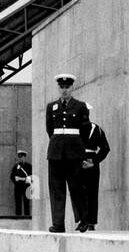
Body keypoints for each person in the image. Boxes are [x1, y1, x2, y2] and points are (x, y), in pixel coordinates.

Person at [45, 73, 90, 233]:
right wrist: (59, 144)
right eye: (62, 87)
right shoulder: (51, 107)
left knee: (76, 187)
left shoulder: (80, 106)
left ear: (72, 88)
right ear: (58, 88)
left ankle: (84, 220)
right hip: (56, 153)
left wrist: (80, 150)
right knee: (56, 189)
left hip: (74, 153)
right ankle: (58, 224)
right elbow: (50, 129)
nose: (64, 90)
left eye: (67, 87)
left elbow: (85, 131)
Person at [76, 121, 112, 231]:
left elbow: (105, 148)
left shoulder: (96, 129)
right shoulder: (76, 127)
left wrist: (93, 161)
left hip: (89, 161)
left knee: (91, 192)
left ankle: (90, 222)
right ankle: (83, 220)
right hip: (77, 160)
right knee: (78, 192)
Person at [11, 150, 32, 216]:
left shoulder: (29, 166)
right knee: (18, 202)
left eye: (22, 157)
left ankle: (27, 216)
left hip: (26, 187)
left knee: (26, 203)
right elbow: (12, 176)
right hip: (18, 187)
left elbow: (31, 177)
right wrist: (16, 181)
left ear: (24, 157)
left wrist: (21, 179)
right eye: (20, 157)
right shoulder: (16, 166)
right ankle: (18, 216)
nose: (21, 158)